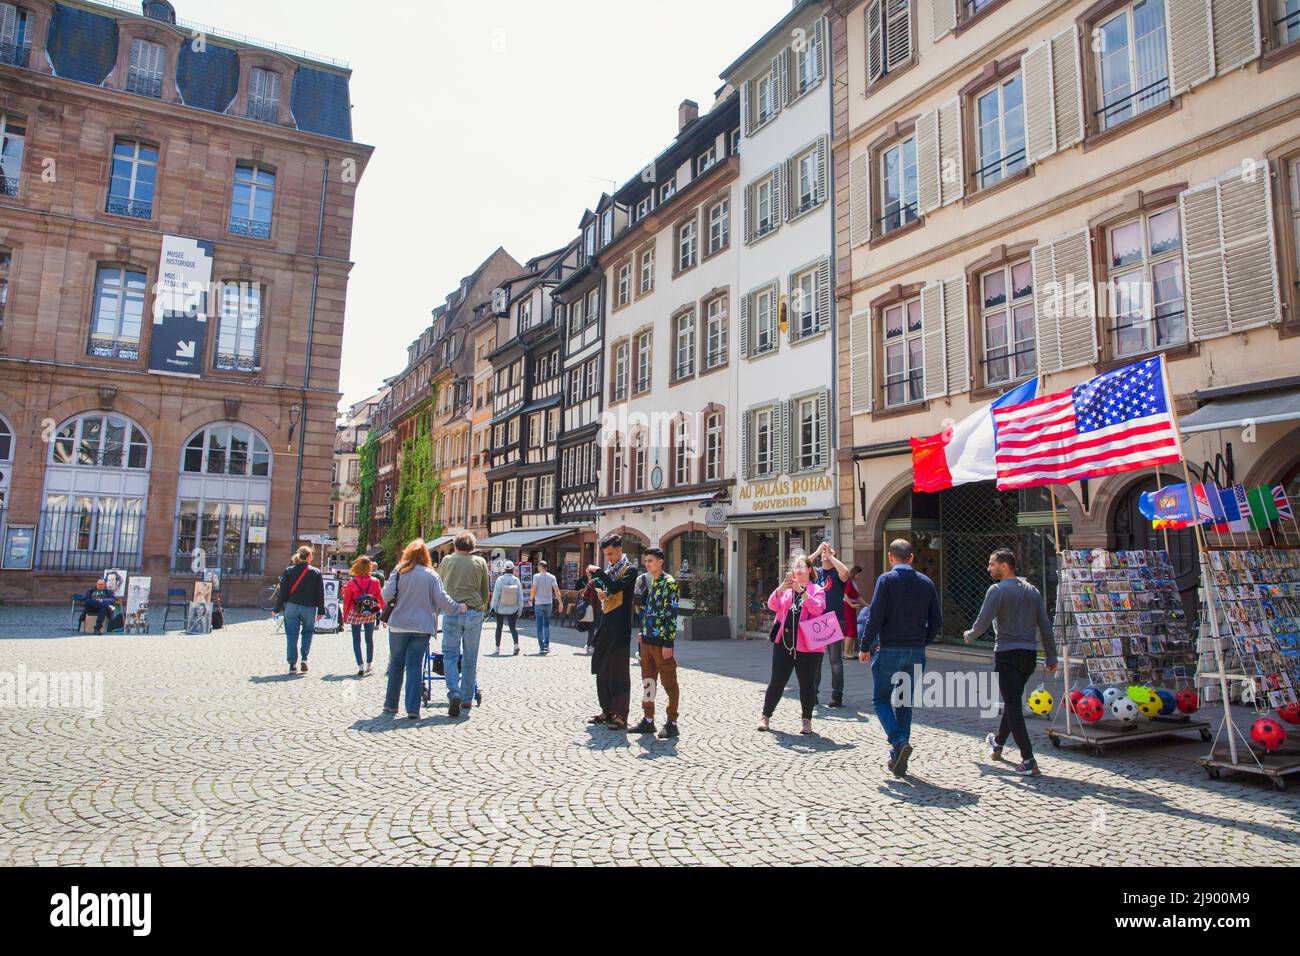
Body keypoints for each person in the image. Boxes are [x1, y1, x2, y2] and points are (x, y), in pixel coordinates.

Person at [963, 548, 1059, 777]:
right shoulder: (1033, 590)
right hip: (1029, 655)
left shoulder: (996, 590)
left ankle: (1028, 759)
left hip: (1007, 653)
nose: (989, 568)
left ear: (1005, 565)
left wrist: (969, 635)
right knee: (1013, 700)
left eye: (992, 564)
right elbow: (1045, 625)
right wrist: (1052, 656)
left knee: (1014, 705)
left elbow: (982, 620)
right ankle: (997, 743)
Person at [858, 539, 941, 778]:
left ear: (891, 558)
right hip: (915, 652)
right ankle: (898, 758)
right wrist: (922, 642)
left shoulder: (886, 580)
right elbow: (937, 620)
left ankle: (897, 741)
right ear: (912, 557)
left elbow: (875, 616)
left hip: (889, 649)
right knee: (904, 702)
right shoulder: (926, 583)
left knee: (881, 698)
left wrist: (864, 646)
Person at [381, 539, 466, 720]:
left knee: (396, 664)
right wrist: (458, 608)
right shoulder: (431, 575)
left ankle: (390, 705)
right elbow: (442, 600)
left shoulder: (398, 572)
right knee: (414, 666)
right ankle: (412, 709)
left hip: (398, 625)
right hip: (422, 627)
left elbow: (386, 595)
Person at [759, 555, 828, 737]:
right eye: (795, 567)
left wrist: (803, 592)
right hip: (784, 643)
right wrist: (782, 587)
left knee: (807, 684)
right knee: (777, 681)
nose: (798, 570)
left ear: (810, 570)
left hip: (808, 646)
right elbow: (772, 605)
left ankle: (807, 720)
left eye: (802, 567)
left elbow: (818, 608)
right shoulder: (787, 590)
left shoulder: (816, 589)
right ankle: (765, 716)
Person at [586, 533, 640, 731]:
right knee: (602, 669)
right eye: (605, 555)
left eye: (610, 553)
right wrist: (598, 586)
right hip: (605, 625)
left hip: (620, 628)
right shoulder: (609, 569)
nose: (608, 558)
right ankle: (606, 710)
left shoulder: (630, 570)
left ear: (619, 549)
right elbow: (606, 592)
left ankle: (620, 715)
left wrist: (599, 573)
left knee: (618, 672)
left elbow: (616, 587)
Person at [629, 548, 681, 739]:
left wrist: (669, 643)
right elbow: (649, 611)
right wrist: (643, 631)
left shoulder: (670, 584)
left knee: (670, 684)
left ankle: (672, 722)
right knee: (648, 681)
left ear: (660, 562)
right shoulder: (653, 582)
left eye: (650, 561)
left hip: (661, 643)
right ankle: (648, 719)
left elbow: (671, 615)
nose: (647, 564)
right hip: (647, 642)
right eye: (646, 561)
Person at [438, 532, 491, 716]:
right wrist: (481, 608)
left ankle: (454, 692)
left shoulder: (447, 560)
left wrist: (439, 610)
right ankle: (467, 699)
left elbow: (439, 586)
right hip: (473, 612)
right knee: (470, 657)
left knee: (450, 655)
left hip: (452, 611)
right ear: (472, 547)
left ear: (455, 545)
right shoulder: (480, 562)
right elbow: (485, 590)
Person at [273, 546, 326, 673]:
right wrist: (321, 610)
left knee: (292, 635)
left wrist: (277, 608)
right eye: (311, 555)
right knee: (307, 632)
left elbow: (283, 593)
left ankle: (292, 664)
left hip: (292, 606)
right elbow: (320, 593)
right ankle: (304, 658)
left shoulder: (289, 571)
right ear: (308, 556)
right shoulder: (316, 572)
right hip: (309, 607)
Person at [812, 543, 850, 708]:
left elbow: (846, 573)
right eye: (823, 554)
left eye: (828, 552)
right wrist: (817, 552)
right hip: (818, 621)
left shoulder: (836, 573)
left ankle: (837, 695)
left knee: (835, 659)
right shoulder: (817, 573)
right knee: (815, 661)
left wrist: (831, 556)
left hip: (834, 619)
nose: (824, 555)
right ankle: (812, 694)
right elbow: (799, 567)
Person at [342, 556, 384, 676]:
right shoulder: (375, 582)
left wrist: (345, 617)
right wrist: (384, 612)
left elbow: (347, 601)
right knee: (369, 639)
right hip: (369, 613)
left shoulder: (352, 582)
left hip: (356, 612)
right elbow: (379, 598)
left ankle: (360, 666)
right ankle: (369, 664)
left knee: (356, 640)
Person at [529, 559, 563, 655]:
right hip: (549, 603)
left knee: (539, 625)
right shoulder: (552, 577)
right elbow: (556, 590)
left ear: (540, 567)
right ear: (546, 567)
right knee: (547, 625)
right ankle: (546, 645)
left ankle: (541, 647)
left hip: (539, 603)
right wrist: (560, 603)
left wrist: (531, 599)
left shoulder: (536, 576)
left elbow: (534, 588)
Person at [490, 561, 523, 655]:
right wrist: (520, 609)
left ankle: (497, 648)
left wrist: (493, 607)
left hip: (500, 607)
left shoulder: (500, 580)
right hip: (513, 608)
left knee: (499, 628)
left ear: (504, 569)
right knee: (513, 628)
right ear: (512, 569)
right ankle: (516, 646)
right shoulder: (516, 580)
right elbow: (520, 596)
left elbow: (496, 595)